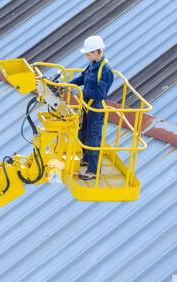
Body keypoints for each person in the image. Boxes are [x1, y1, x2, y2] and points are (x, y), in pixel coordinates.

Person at [70, 35, 113, 181]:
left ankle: (93, 170)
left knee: (92, 138)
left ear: (97, 52)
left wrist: (81, 92)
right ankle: (86, 159)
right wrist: (69, 84)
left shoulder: (105, 70)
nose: (87, 56)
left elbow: (100, 94)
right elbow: (82, 77)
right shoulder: (92, 65)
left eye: (89, 53)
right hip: (87, 106)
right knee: (82, 133)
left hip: (96, 108)